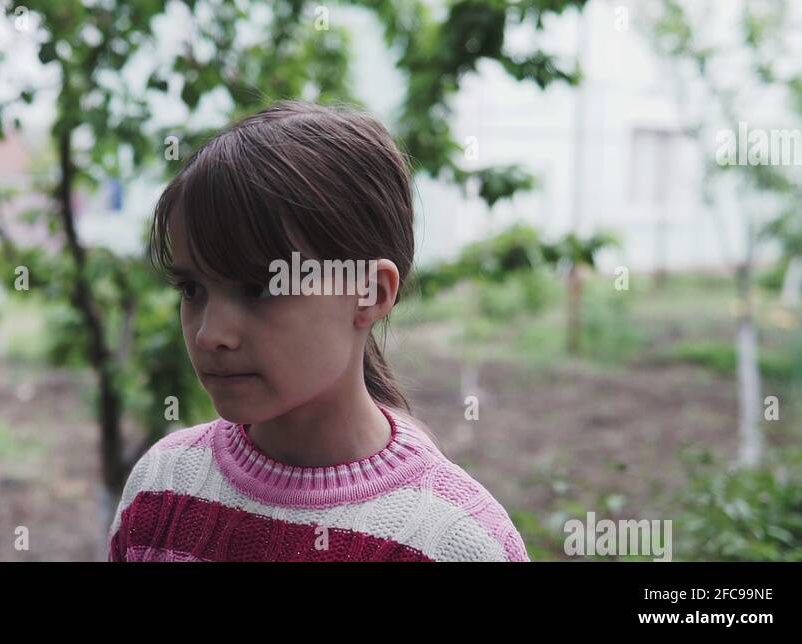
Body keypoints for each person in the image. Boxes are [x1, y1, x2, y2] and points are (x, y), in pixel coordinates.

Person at [107, 100, 529, 562]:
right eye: (192, 289)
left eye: (261, 287)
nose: (210, 335)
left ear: (370, 292)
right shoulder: (161, 488)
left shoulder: (454, 543)